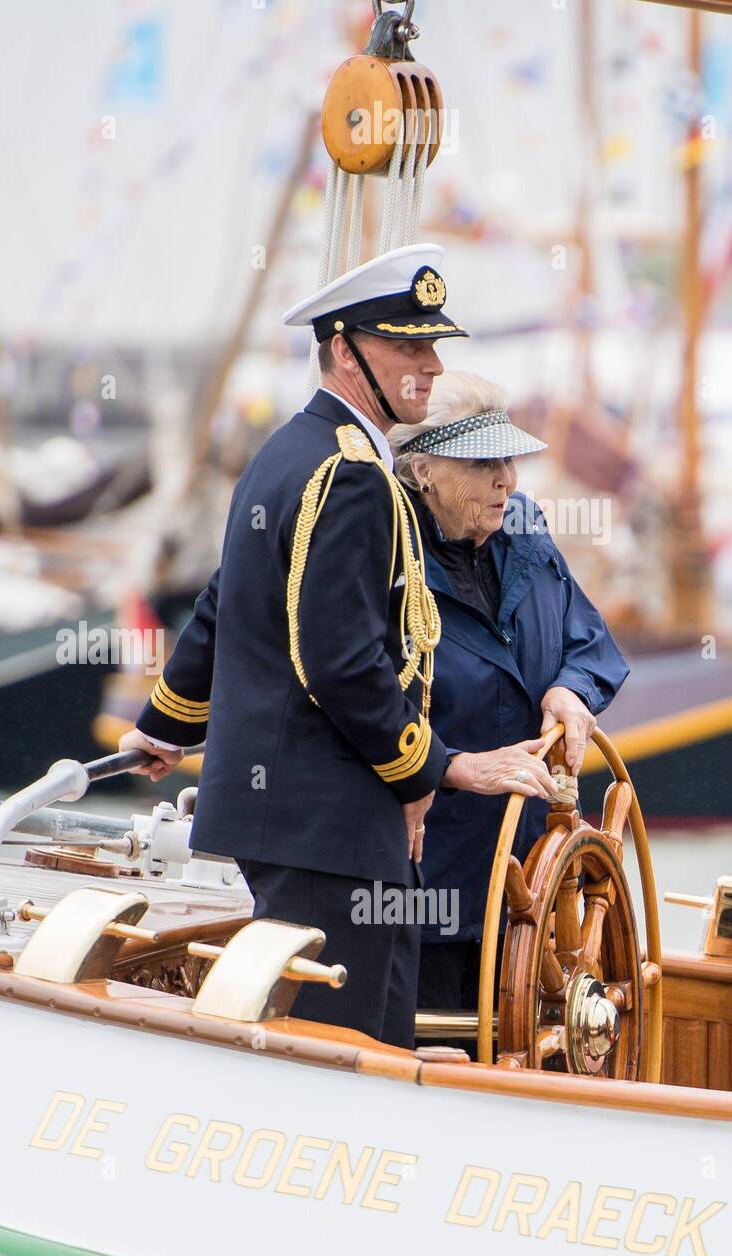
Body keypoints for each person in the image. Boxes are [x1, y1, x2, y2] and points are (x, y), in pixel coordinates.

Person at [118, 243, 559, 1048]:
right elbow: (341, 664)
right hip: (330, 826)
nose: (427, 365)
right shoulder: (351, 473)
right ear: (344, 350)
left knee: (329, 1043)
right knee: (354, 1054)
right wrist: (438, 768)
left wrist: (168, 724)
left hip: (291, 821)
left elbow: (227, 603)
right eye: (405, 346)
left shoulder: (291, 452)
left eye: (431, 347)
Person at [387, 373, 629, 1012]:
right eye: (482, 463)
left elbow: (587, 642)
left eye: (508, 459)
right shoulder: (381, 556)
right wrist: (456, 767)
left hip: (532, 883)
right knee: (439, 1051)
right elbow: (355, 699)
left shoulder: (524, 531)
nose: (507, 481)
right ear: (423, 472)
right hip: (424, 882)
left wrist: (571, 691)